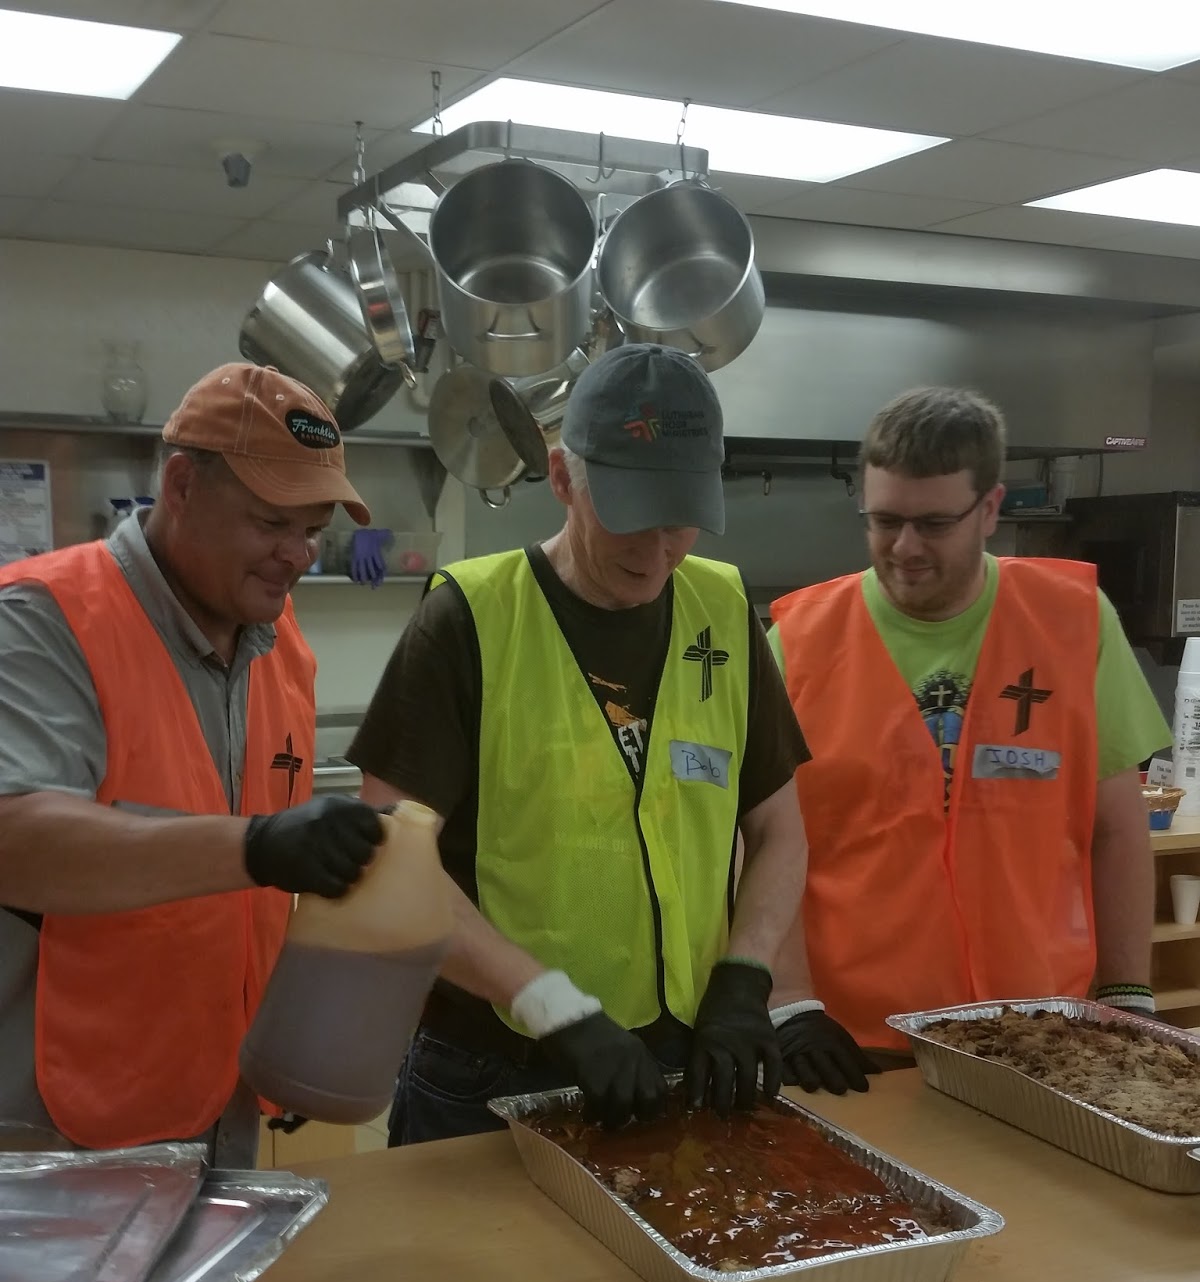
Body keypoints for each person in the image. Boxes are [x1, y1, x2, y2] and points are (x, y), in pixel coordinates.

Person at [351, 343, 862, 1143]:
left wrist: (746, 975)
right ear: (562, 478)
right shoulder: (470, 620)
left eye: (682, 519)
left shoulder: (722, 612)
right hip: (493, 1072)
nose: (659, 550)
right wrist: (549, 1005)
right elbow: (388, 861)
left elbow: (777, 830)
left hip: (673, 1061)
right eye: (630, 516)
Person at [0, 362, 387, 1163]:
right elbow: (15, 838)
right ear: (180, 486)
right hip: (56, 1132)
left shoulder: (282, 649)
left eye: (312, 530)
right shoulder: (44, 617)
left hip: (220, 1108)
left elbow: (261, 911)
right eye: (270, 523)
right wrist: (255, 846)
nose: (296, 554)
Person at [769, 385, 1172, 1066]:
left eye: (932, 524)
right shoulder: (799, 641)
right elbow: (762, 844)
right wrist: (790, 1002)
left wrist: (1129, 992)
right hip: (858, 1038)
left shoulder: (1074, 620)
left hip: (1041, 1029)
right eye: (883, 520)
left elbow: (1117, 826)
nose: (903, 547)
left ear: (989, 509)